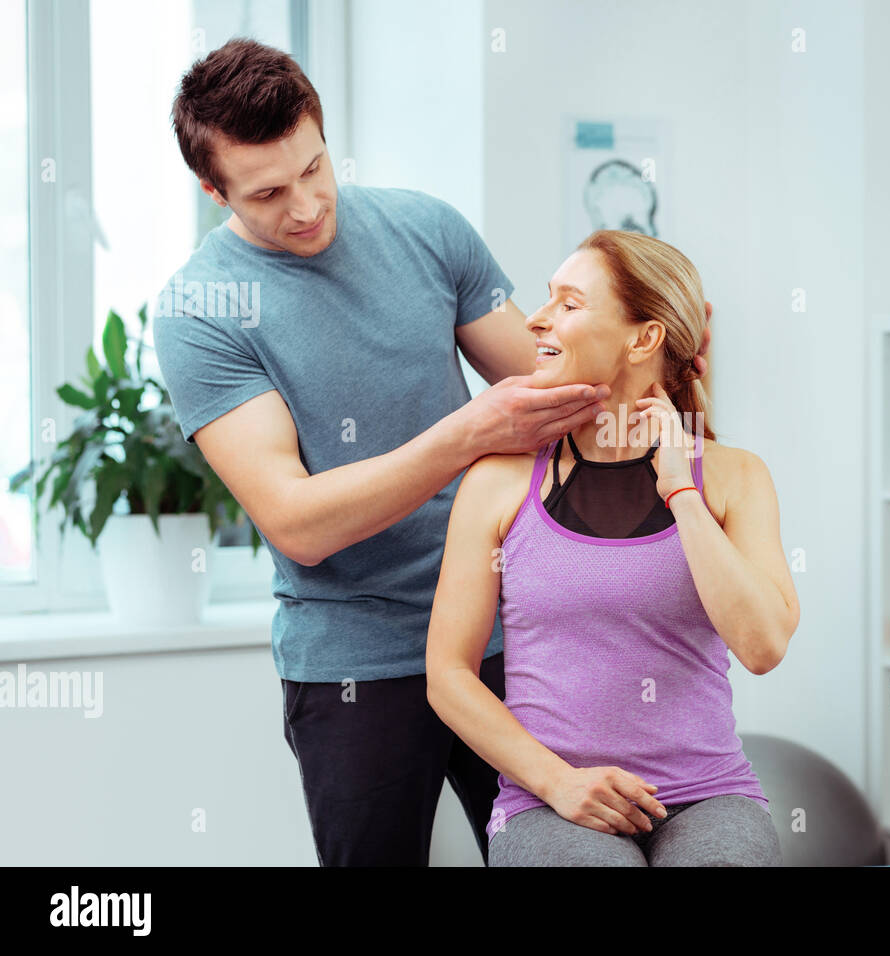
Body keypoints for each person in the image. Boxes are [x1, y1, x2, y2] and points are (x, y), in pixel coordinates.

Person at [151, 38, 716, 867]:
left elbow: (556, 396)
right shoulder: (199, 311)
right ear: (213, 189)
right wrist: (467, 436)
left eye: (315, 168)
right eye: (269, 192)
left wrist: (654, 362)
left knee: (569, 854)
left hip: (505, 635)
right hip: (355, 662)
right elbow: (297, 522)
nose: (306, 205)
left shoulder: (426, 229)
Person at [425, 230, 798, 866]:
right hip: (550, 801)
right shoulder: (500, 480)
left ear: (643, 339)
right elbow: (449, 675)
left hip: (709, 797)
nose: (537, 320)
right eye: (548, 300)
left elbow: (762, 647)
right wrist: (557, 782)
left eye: (569, 304)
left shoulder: (735, 477)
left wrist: (681, 490)